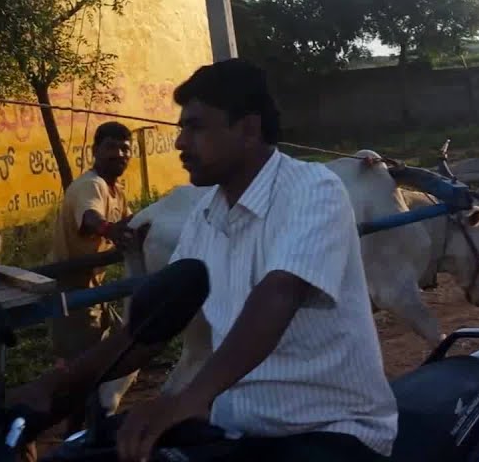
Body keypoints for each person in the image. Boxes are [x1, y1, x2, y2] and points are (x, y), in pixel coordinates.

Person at [113, 58, 398, 462]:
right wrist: (63, 383)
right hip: (240, 429)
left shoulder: (313, 190)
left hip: (330, 431)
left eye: (195, 127)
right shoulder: (204, 215)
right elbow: (158, 320)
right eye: (182, 129)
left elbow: (279, 294)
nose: (180, 143)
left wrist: (189, 399)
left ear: (248, 130)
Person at [46, 120, 139, 433]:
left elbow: (129, 223)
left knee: (117, 349)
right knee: (81, 371)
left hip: (93, 286)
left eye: (125, 148)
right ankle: (65, 430)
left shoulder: (116, 190)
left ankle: (85, 424)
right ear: (95, 151)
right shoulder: (92, 185)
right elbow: (90, 218)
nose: (119, 154)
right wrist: (109, 230)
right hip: (71, 288)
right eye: (111, 147)